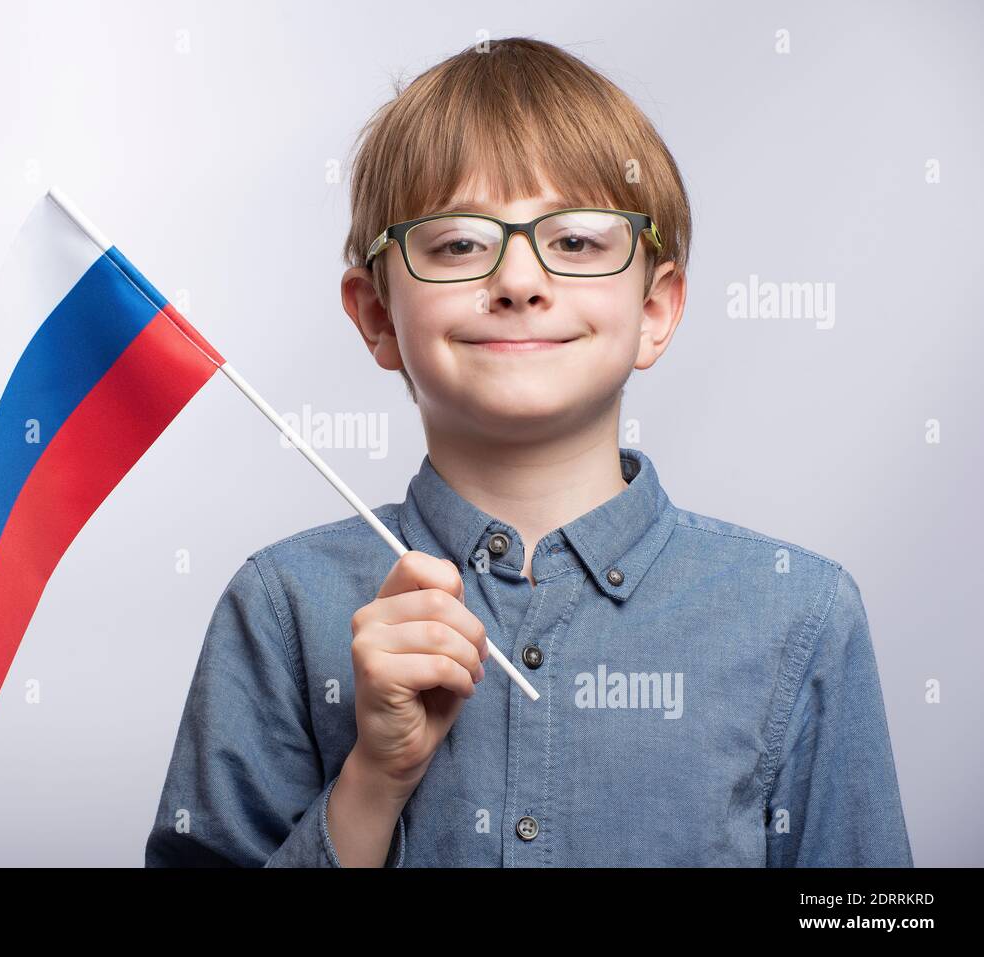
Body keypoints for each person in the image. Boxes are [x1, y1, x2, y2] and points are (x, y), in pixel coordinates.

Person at [145, 36, 913, 867]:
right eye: (459, 244)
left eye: (576, 241)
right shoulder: (281, 607)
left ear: (655, 310)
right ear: (375, 316)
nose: (518, 281)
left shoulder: (801, 613)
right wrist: (375, 776)